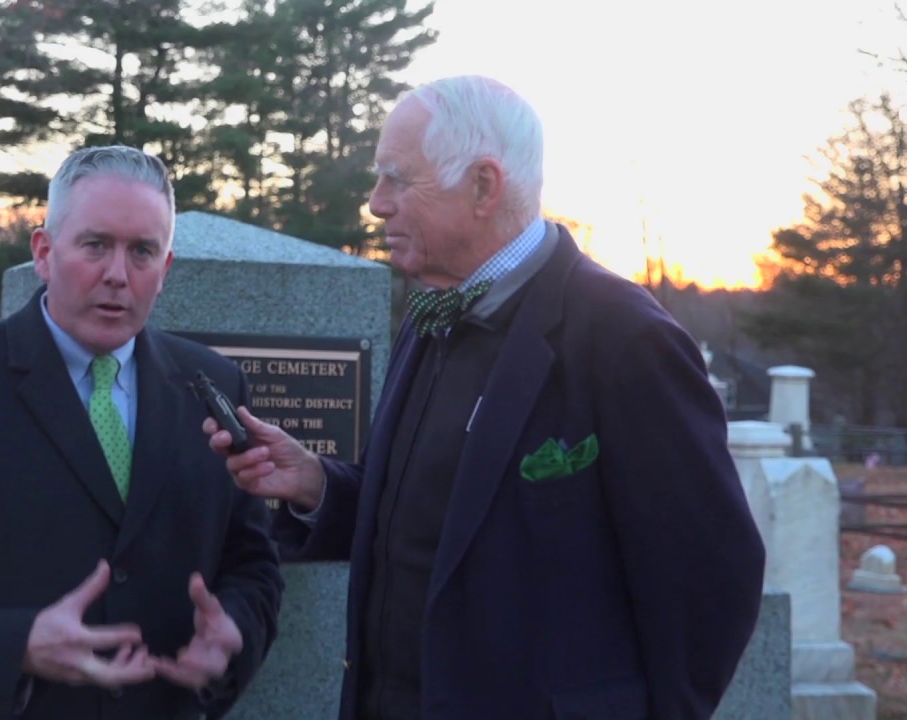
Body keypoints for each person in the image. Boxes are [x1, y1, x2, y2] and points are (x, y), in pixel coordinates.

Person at [208, 76, 766, 719]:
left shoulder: (624, 339)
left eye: (397, 179)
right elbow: (447, 522)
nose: (375, 204)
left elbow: (711, 582)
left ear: (483, 186)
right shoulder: (430, 316)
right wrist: (315, 484)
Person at [0, 145, 283, 720]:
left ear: (165, 269)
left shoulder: (215, 385)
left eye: (142, 252)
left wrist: (234, 633)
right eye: (95, 245)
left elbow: (253, 564)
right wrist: (16, 643)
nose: (117, 275)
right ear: (45, 252)